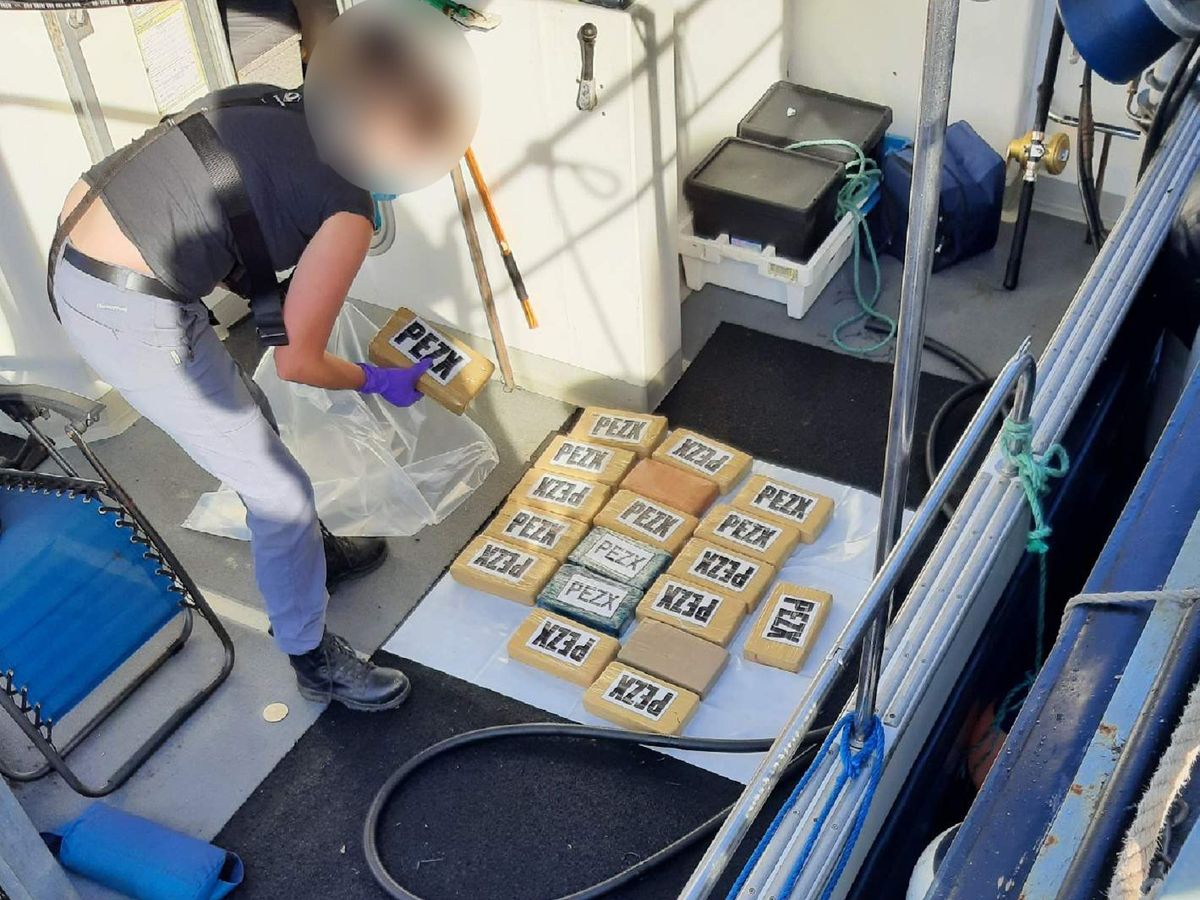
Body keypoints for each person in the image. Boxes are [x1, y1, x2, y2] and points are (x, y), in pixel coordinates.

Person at [50, 2, 479, 712]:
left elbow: (219, 187)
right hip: (125, 309)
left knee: (252, 427)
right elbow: (299, 365)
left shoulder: (270, 98)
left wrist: (260, 295)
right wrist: (378, 379)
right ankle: (312, 658)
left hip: (87, 231)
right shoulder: (347, 211)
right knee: (278, 492)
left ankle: (316, 558)